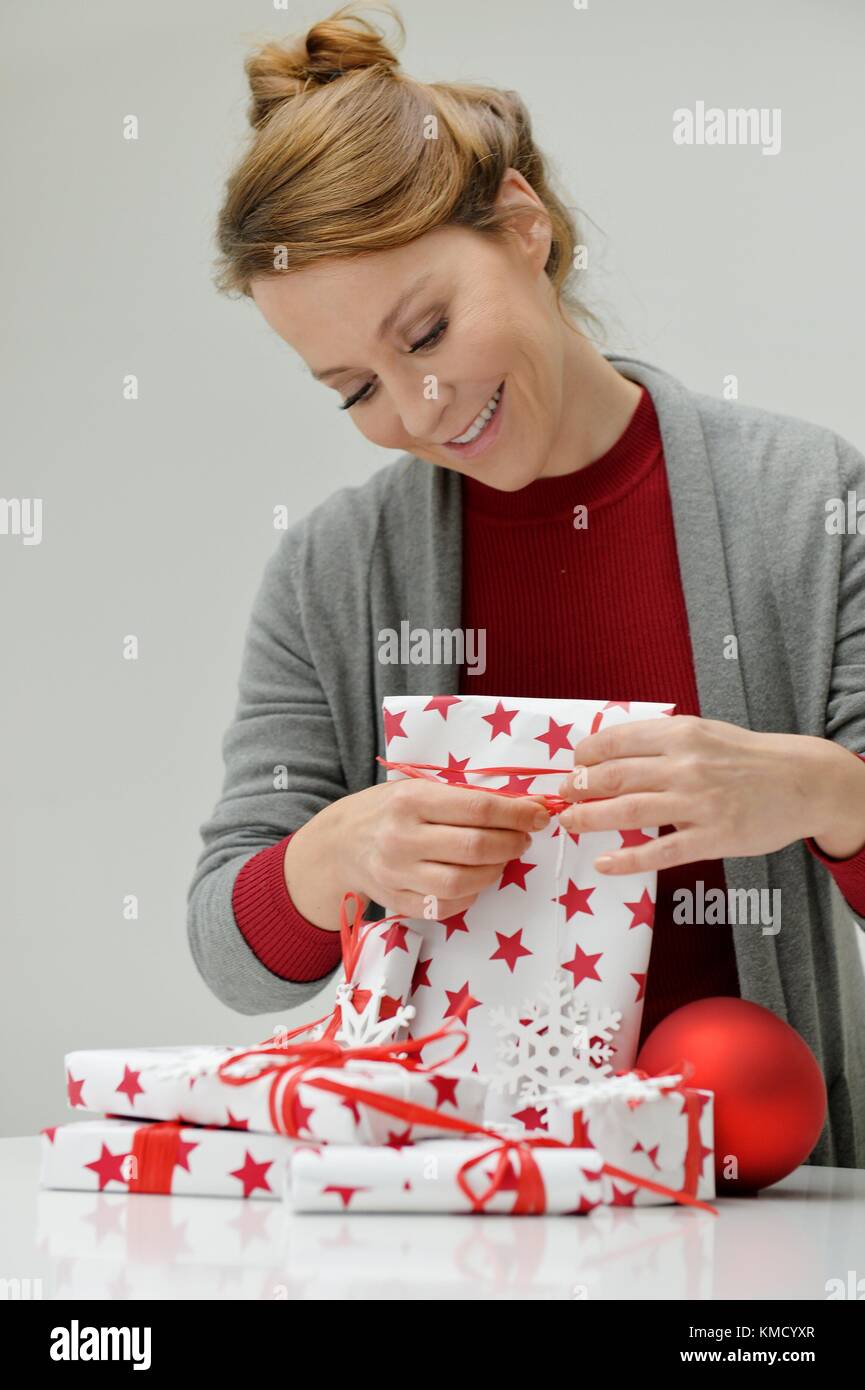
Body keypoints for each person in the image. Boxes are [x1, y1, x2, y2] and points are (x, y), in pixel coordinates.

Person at [188, 3, 865, 1167]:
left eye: (431, 330)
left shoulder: (802, 497)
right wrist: (330, 858)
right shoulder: (331, 571)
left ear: (521, 226)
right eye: (354, 389)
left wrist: (820, 794)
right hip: (454, 1198)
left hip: (768, 1207)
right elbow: (227, 947)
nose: (419, 409)